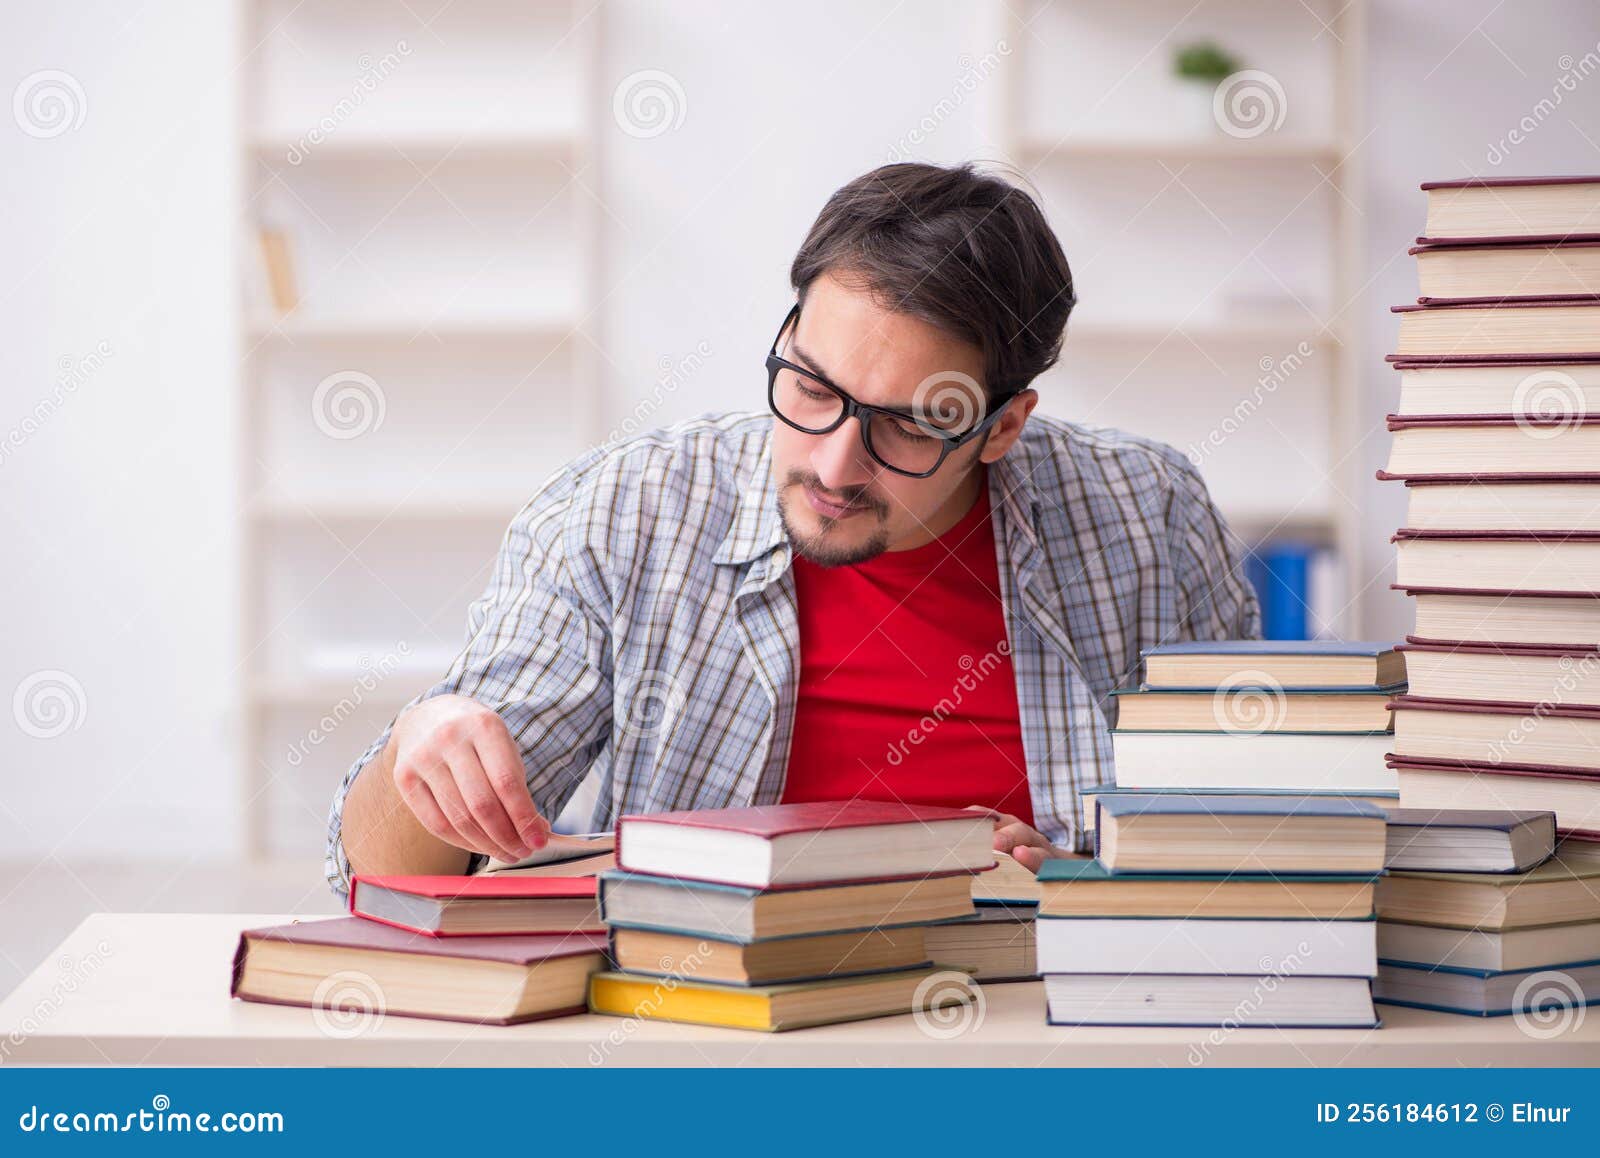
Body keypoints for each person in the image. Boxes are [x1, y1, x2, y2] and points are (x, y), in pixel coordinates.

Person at [325, 161, 1259, 897]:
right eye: (812, 388)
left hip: (1035, 1030)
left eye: (910, 423)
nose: (833, 465)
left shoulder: (1151, 517)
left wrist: (1082, 885)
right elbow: (378, 879)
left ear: (1003, 427)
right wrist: (425, 739)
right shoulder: (624, 512)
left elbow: (1256, 846)